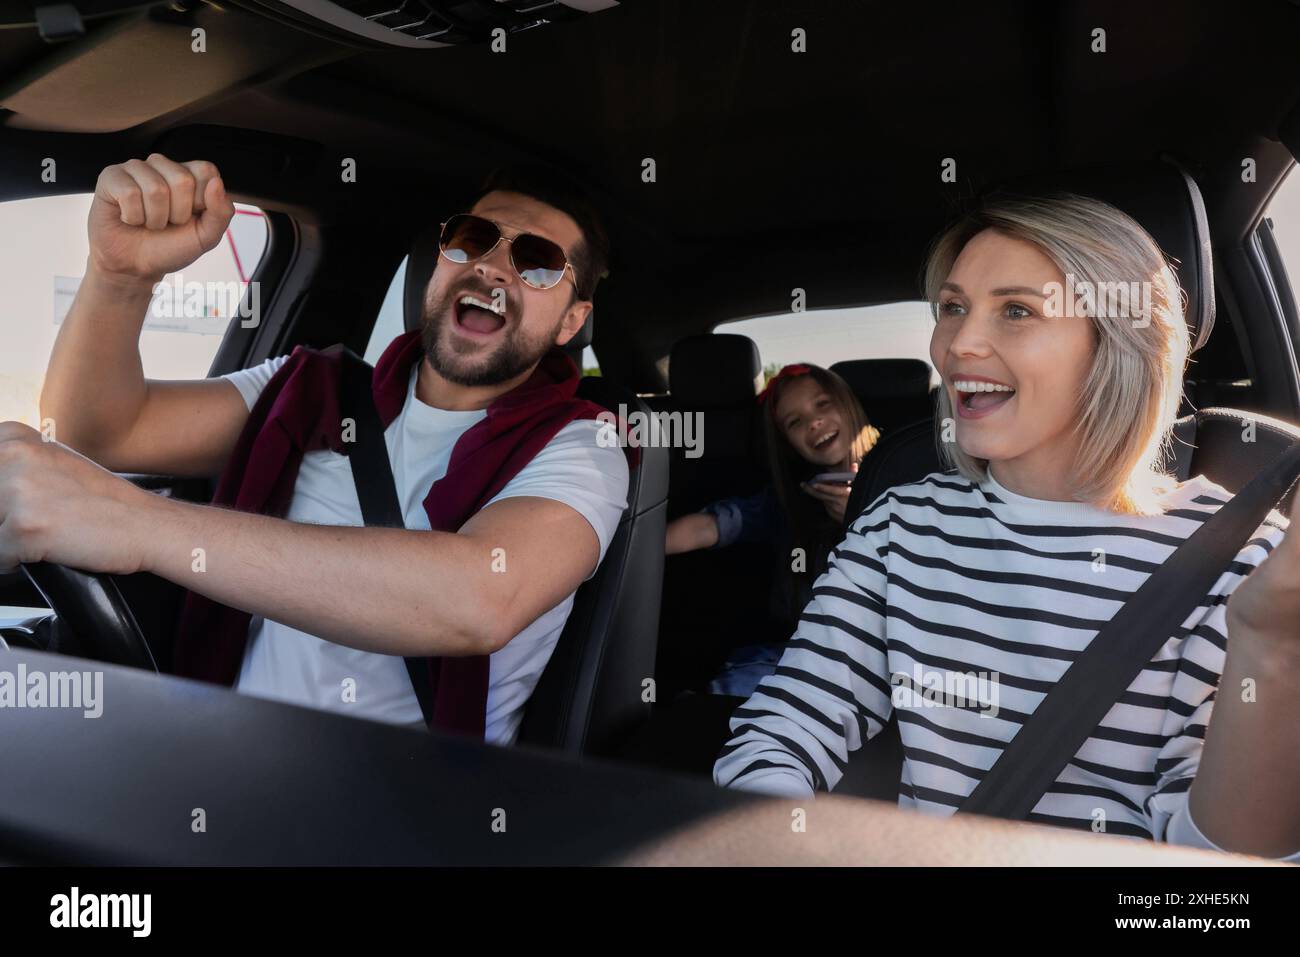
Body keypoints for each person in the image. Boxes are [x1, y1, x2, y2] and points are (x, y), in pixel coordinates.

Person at [713, 191, 1300, 861]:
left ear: (1119, 343)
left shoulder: (1241, 560)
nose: (957, 342)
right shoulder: (902, 525)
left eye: (1017, 310)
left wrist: (1272, 647)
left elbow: (1220, 880)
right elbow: (781, 731)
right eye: (953, 307)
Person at [6, 153, 630, 745]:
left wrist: (130, 523)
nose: (493, 267)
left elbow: (481, 599)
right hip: (220, 755)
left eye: (538, 262)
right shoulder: (311, 389)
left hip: (413, 810)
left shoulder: (582, 444)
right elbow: (98, 433)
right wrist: (120, 277)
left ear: (572, 322)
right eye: (472, 238)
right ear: (440, 261)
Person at [666, 363, 880, 695]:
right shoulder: (790, 501)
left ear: (848, 401)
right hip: (802, 655)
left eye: (823, 404)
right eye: (795, 422)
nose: (814, 422)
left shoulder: (908, 475)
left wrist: (856, 518)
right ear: (788, 444)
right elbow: (709, 526)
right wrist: (637, 544)